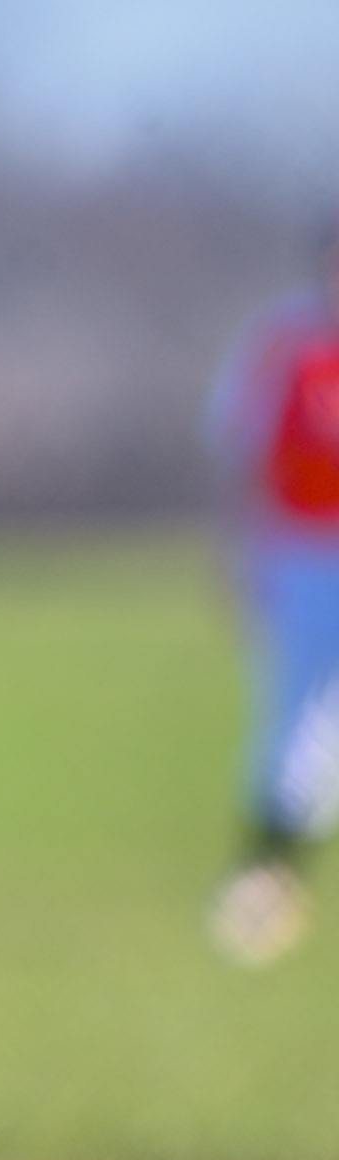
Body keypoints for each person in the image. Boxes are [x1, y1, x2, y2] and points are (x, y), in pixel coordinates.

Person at [203, 224, 339, 967]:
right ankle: (267, 876)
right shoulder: (286, 341)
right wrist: (233, 556)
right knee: (304, 711)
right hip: (305, 547)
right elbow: (242, 453)